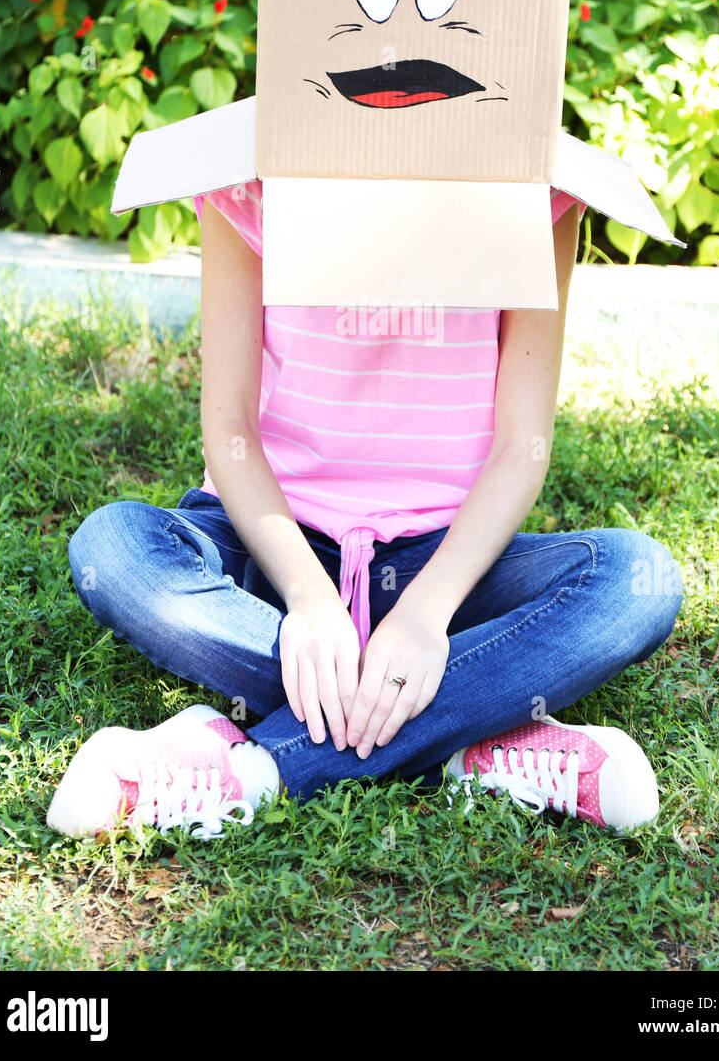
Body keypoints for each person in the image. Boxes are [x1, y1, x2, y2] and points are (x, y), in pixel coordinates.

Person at [47, 180, 684, 841]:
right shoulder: (245, 189)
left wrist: (423, 614)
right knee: (114, 545)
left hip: (449, 563)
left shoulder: (534, 200)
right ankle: (478, 736)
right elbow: (230, 426)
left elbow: (522, 446)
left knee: (638, 578)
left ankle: (255, 770)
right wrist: (311, 599)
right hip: (274, 550)